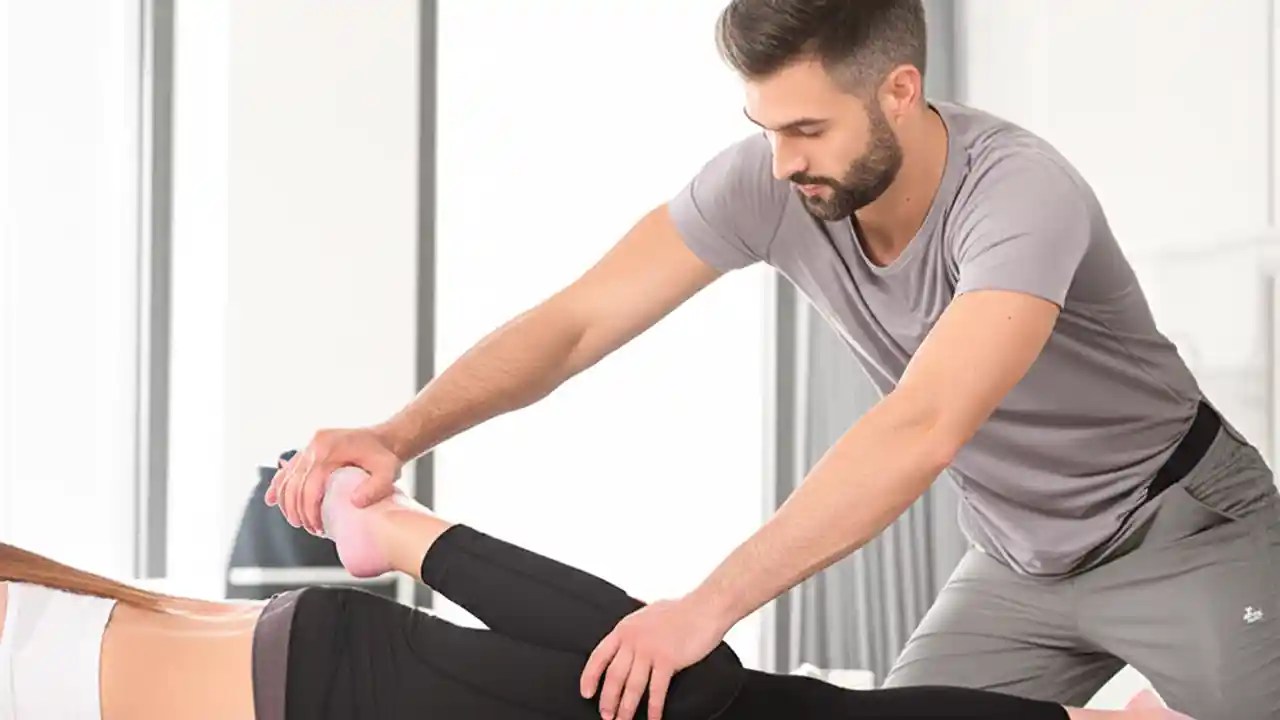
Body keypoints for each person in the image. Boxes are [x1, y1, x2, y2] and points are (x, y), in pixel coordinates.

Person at [267, 1, 1280, 719]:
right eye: (765, 128)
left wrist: (701, 611)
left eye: (807, 128)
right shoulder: (770, 182)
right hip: (1017, 557)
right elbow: (576, 322)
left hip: (1180, 529)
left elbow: (924, 425)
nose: (783, 158)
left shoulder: (1018, 195)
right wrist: (399, 432)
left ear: (899, 90)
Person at [0, 466, 1189, 720]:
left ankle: (401, 533)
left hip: (335, 690)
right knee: (753, 705)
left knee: (691, 690)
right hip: (317, 663)